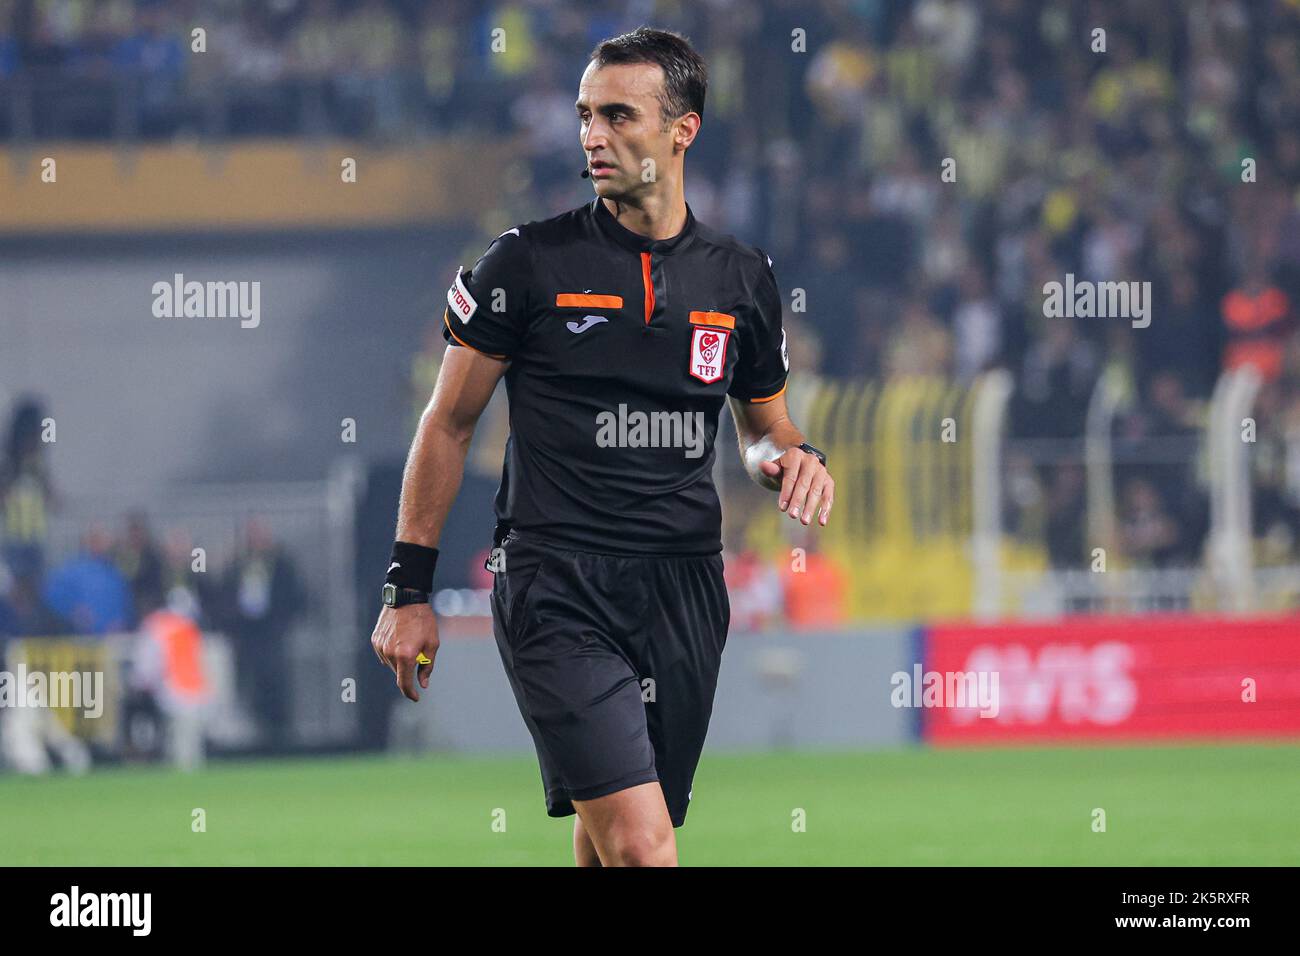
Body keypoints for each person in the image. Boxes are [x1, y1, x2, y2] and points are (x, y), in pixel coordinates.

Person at [370, 27, 834, 867]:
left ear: (681, 130)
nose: (591, 134)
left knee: (608, 841)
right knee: (644, 848)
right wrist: (408, 587)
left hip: (685, 585)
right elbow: (446, 423)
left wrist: (795, 462)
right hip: (557, 584)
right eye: (585, 115)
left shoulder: (740, 278)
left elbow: (765, 428)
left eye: (618, 115)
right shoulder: (525, 263)